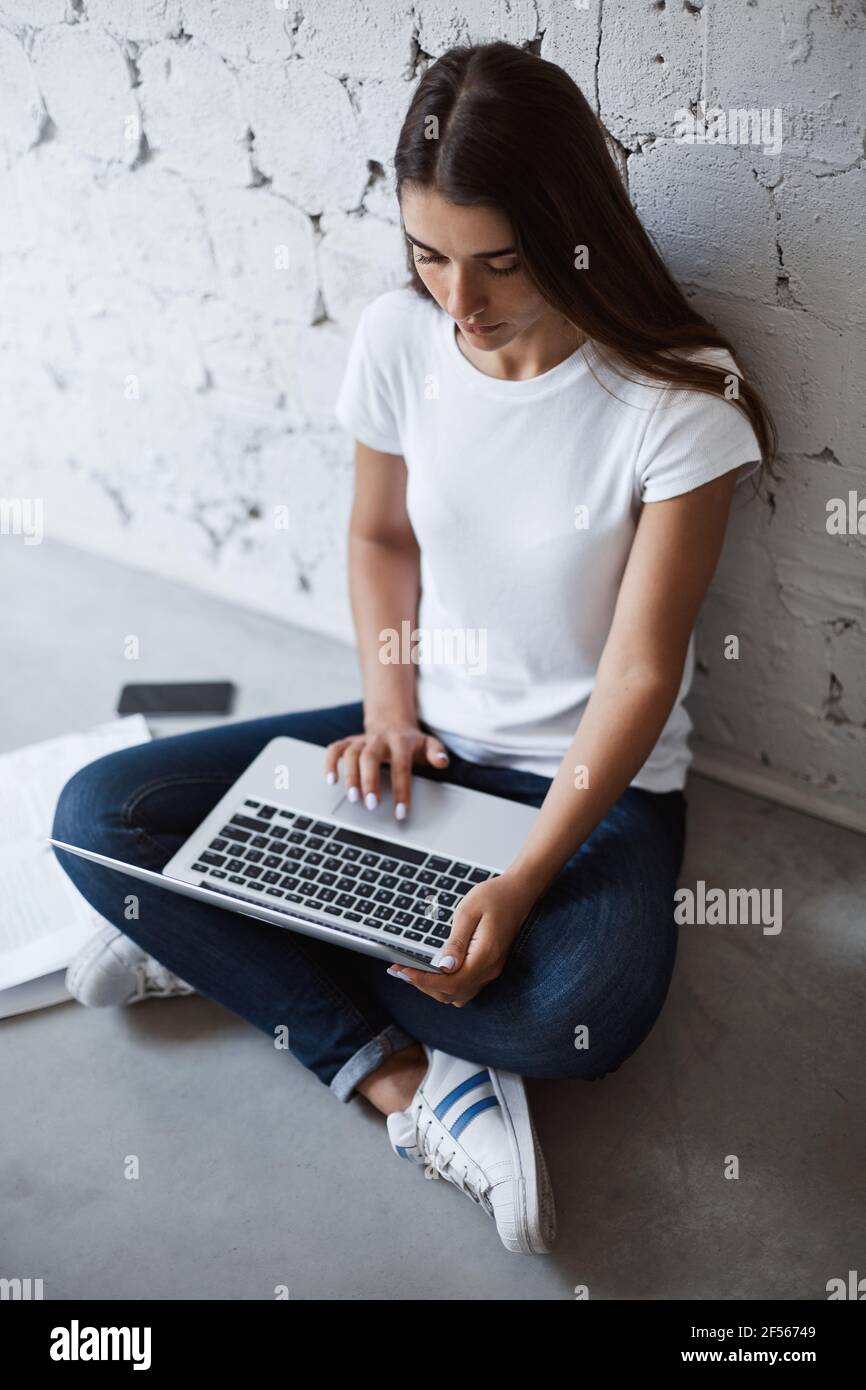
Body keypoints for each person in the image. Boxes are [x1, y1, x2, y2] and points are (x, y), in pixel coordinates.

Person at [52, 41, 776, 1257]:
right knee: (92, 816)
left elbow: (642, 673)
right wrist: (388, 711)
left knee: (577, 1018)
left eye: (498, 262)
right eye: (429, 257)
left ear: (571, 225)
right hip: (423, 749)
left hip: (591, 795)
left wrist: (523, 878)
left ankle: (226, 935)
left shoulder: (679, 401)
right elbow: (380, 538)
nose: (461, 302)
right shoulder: (399, 338)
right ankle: (403, 1077)